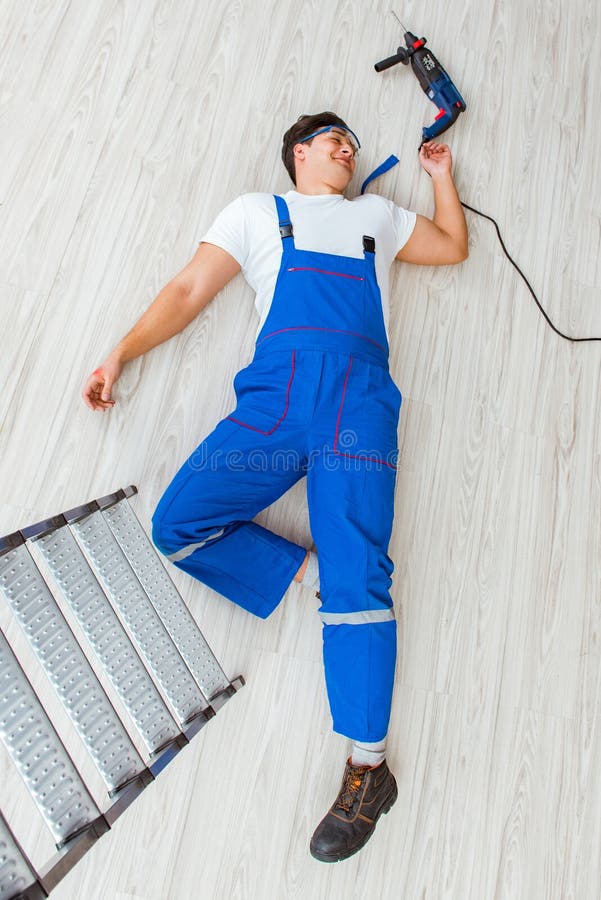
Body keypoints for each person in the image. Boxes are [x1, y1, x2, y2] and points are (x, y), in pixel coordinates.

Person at [82, 111, 468, 863]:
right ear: (299, 152)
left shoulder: (379, 216)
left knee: (364, 583)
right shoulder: (258, 212)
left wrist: (442, 179)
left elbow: (452, 247)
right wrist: (119, 353)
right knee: (176, 527)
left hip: (356, 412)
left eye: (352, 142)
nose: (346, 147)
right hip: (276, 414)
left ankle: (368, 768)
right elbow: (192, 286)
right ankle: (303, 574)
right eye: (333, 138)